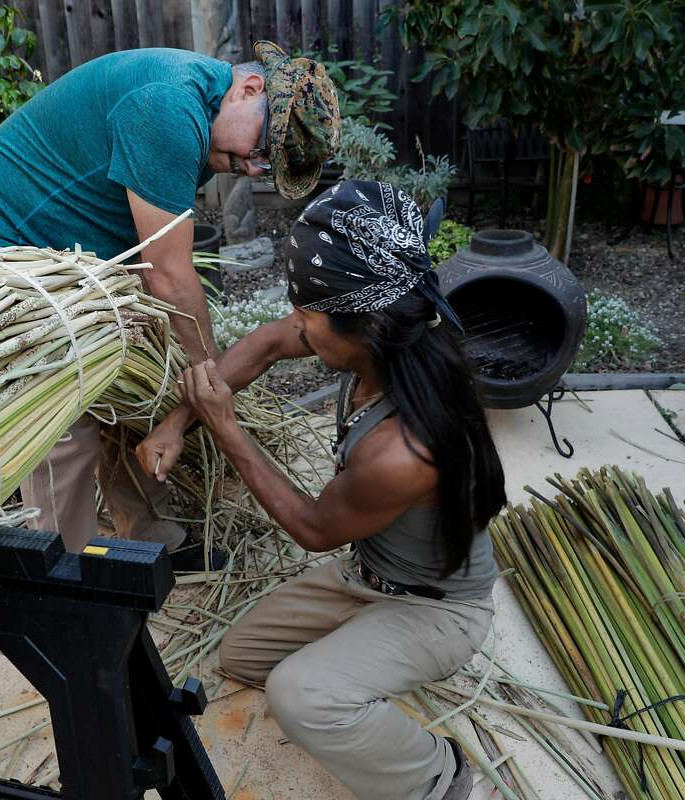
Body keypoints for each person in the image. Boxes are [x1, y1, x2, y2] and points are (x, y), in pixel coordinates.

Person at [136, 180, 507, 800]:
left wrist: (227, 431)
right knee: (243, 658)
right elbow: (265, 343)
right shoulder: (379, 338)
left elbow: (311, 529)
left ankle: (438, 775)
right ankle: (356, 661)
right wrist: (179, 420)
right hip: (366, 576)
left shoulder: (403, 450)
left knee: (298, 695)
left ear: (364, 323)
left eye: (310, 313)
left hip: (436, 608)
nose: (299, 325)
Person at [0, 42, 339, 567]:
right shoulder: (170, 108)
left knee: (135, 383)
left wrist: (180, 362)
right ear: (249, 89)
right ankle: (67, 572)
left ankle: (145, 538)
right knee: (67, 410)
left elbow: (153, 253)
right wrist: (206, 373)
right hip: (4, 238)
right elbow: (171, 276)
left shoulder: (203, 107)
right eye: (263, 146)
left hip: (77, 250)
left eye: (267, 164)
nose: (251, 167)